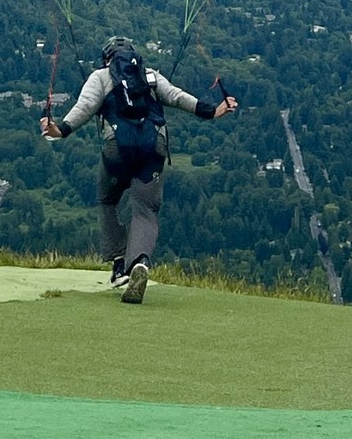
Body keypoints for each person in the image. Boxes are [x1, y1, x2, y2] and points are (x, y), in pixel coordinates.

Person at [42, 36, 237, 303]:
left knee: (107, 199)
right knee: (145, 210)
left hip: (117, 151)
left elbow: (85, 107)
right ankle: (140, 262)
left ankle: (119, 264)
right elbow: (179, 98)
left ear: (106, 58)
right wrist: (212, 111)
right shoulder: (152, 77)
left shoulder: (100, 77)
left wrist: (61, 129)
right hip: (153, 148)